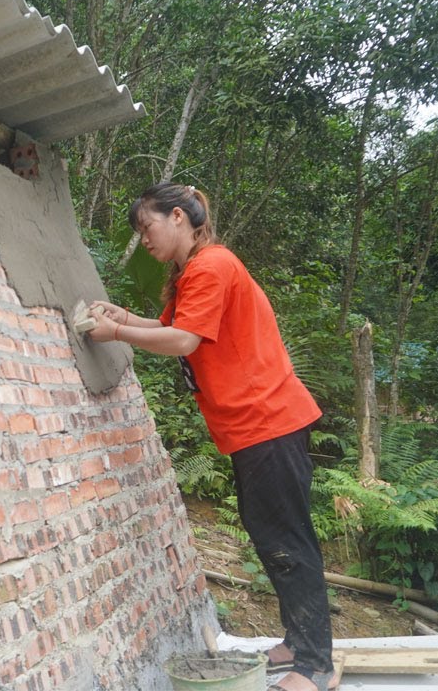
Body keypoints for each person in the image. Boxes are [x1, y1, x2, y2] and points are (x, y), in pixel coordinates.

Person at [87, 182, 335, 691]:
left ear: (178, 217)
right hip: (252, 429)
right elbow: (168, 326)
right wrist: (124, 317)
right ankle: (299, 640)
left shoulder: (213, 265)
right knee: (271, 536)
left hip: (268, 421)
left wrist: (115, 334)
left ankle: (317, 665)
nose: (145, 240)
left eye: (147, 227)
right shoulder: (193, 274)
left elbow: (182, 340)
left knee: (287, 540)